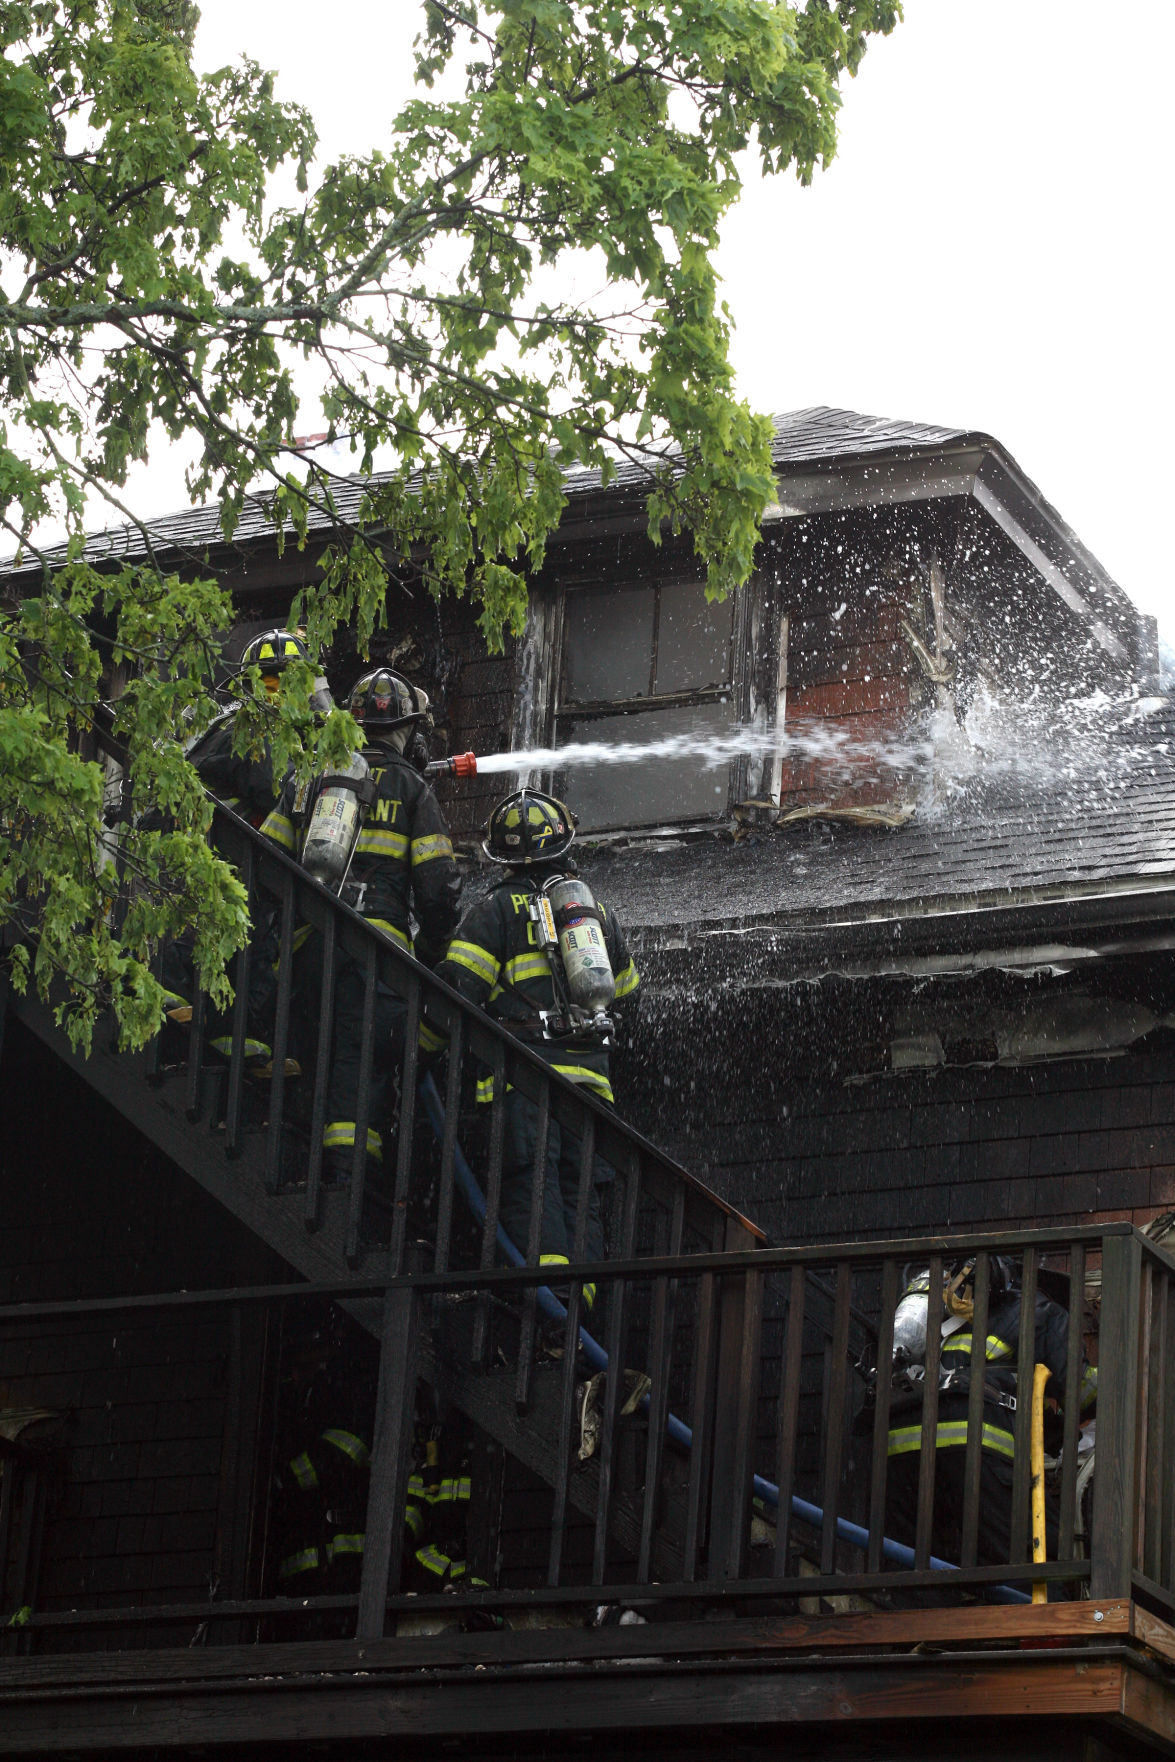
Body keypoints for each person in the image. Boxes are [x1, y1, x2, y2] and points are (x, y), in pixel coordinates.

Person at [424, 788, 639, 1297]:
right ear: (563, 843)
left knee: (532, 1191)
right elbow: (629, 998)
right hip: (590, 1091)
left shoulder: (495, 910)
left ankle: (549, 1314)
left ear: (502, 856)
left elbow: (455, 993)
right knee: (580, 1199)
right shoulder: (595, 914)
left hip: (526, 1085)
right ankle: (576, 1325)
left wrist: (418, 1047)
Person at [262, 667, 462, 1183]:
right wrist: (433, 953)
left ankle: (294, 1165)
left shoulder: (309, 777)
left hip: (308, 948)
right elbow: (439, 888)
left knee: (311, 1055)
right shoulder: (412, 789)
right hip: (377, 960)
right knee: (361, 1066)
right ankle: (348, 1188)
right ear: (407, 729)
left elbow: (262, 863)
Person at [884, 1257, 1097, 1588]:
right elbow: (1082, 1391)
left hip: (901, 1450)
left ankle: (926, 1633)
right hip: (972, 1445)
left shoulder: (944, 1310)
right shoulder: (1039, 1309)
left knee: (921, 1573)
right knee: (1044, 1560)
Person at [160, 628, 314, 1063]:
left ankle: (232, 1029)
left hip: (229, 853)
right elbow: (275, 788)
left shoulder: (256, 723)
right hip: (202, 845)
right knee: (213, 922)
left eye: (286, 682)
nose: (279, 691)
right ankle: (171, 988)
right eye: (271, 681)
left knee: (255, 930)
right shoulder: (251, 725)